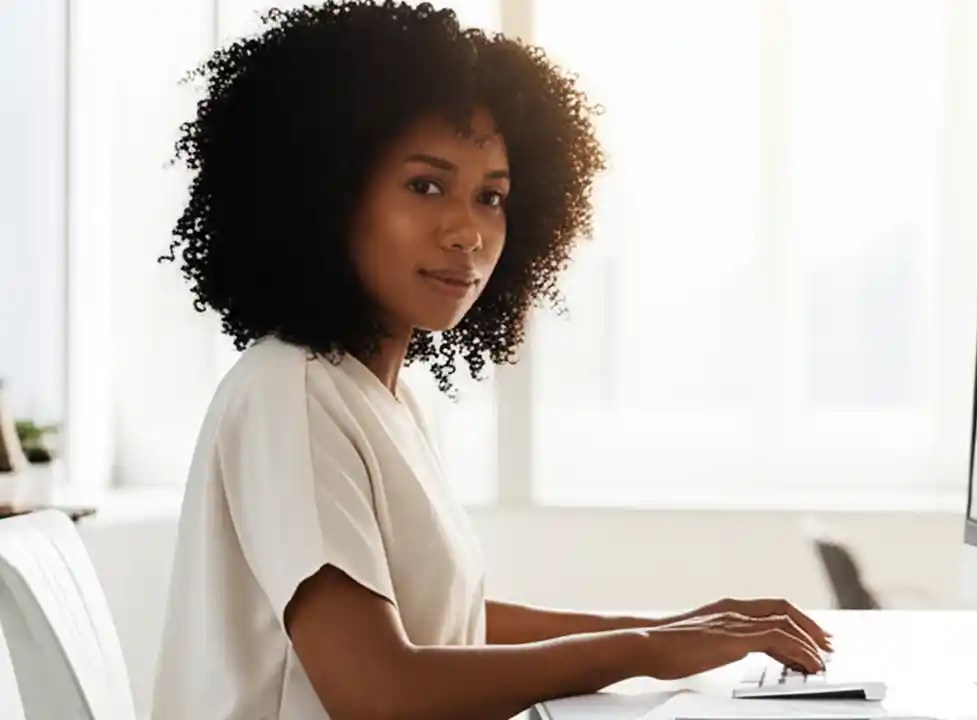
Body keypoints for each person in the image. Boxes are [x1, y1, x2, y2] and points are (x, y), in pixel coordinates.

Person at [153, 3, 832, 718]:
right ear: (326, 191)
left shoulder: (379, 397)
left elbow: (453, 626)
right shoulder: (288, 392)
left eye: (492, 197)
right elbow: (377, 691)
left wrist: (667, 631)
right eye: (425, 185)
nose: (467, 232)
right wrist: (643, 650)